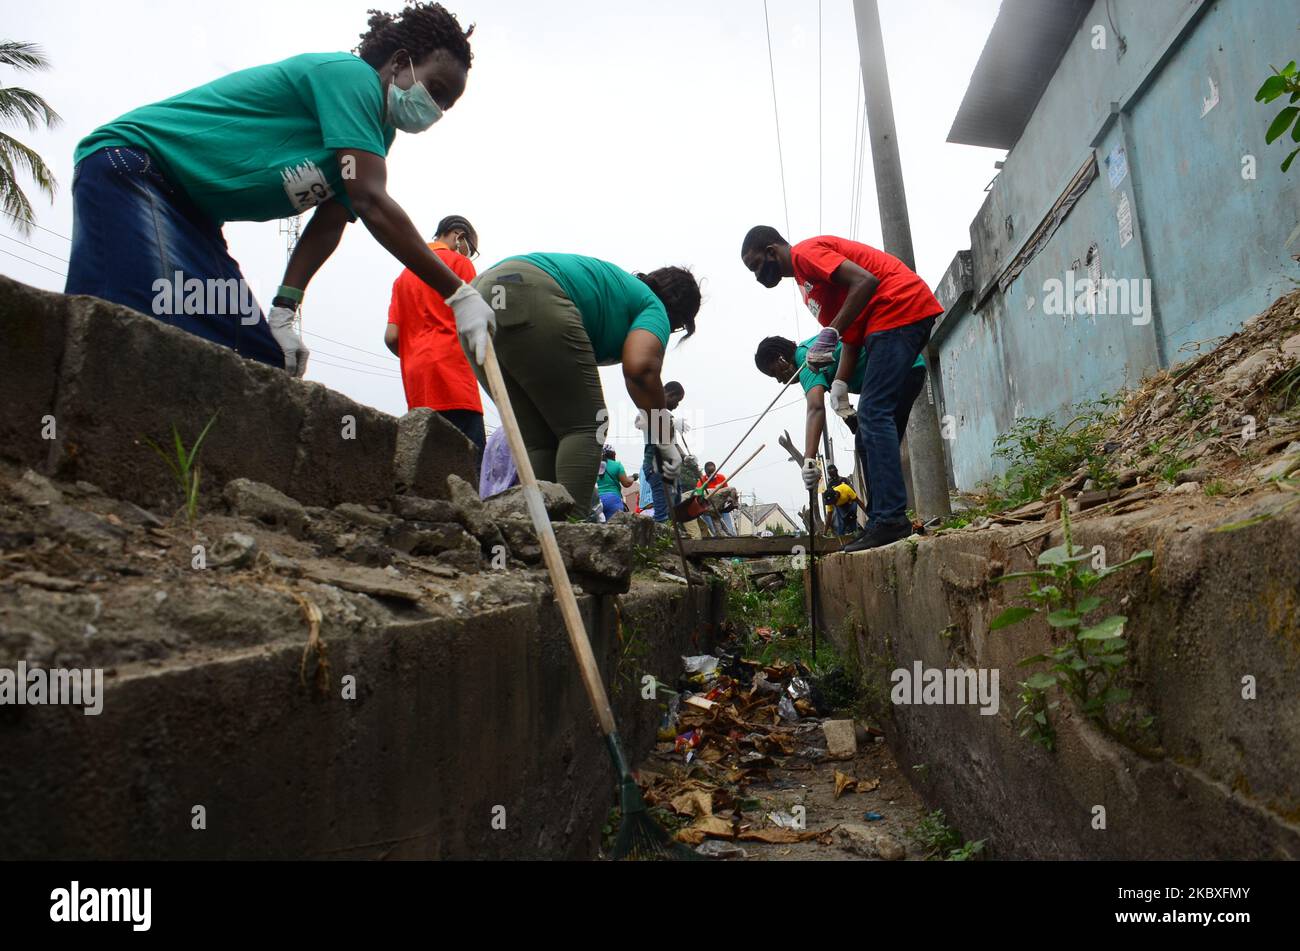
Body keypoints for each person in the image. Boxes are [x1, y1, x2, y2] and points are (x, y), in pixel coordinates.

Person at [66, 3, 497, 380]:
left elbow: (331, 221)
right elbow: (369, 201)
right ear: (401, 63)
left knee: (257, 355)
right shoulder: (352, 79)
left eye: (446, 106)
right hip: (134, 167)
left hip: (193, 218)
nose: (435, 110)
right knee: (139, 315)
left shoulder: (376, 136)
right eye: (436, 90)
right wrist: (457, 292)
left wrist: (284, 311)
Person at [741, 226, 942, 551]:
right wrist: (840, 384)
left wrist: (830, 332)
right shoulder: (808, 290)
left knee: (875, 414)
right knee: (866, 433)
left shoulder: (805, 255)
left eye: (755, 265)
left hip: (898, 308)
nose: (757, 275)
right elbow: (850, 337)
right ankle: (880, 520)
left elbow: (866, 281)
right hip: (881, 324)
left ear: (771, 250)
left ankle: (891, 519)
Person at [470, 253, 700, 512]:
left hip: (477, 300)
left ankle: (538, 534)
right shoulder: (653, 305)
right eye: (677, 326)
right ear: (676, 312)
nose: (668, 332)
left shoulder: (620, 289)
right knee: (589, 425)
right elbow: (641, 370)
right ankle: (571, 535)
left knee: (539, 439)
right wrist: (663, 438)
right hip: (528, 291)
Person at [753, 333, 926, 509]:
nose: (780, 381)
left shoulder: (807, 362)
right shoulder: (811, 349)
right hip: (906, 368)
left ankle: (888, 516)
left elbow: (815, 408)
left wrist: (809, 460)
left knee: (871, 441)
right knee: (868, 442)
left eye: (775, 373)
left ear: (781, 359)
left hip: (901, 371)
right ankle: (882, 514)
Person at [386, 214, 485, 451]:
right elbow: (476, 320)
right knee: (470, 464)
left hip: (417, 379)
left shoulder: (404, 276)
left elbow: (391, 336)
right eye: (470, 249)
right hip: (454, 377)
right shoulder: (459, 264)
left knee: (428, 464)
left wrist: (414, 352)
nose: (468, 256)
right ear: (458, 237)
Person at [640, 381, 685, 523]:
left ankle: (673, 533)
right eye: (677, 401)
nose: (677, 405)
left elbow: (673, 444)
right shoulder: (651, 410)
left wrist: (686, 457)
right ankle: (662, 540)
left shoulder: (666, 416)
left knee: (676, 502)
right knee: (662, 511)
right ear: (670, 394)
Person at [694, 462, 736, 537]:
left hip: (722, 507)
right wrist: (703, 488)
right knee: (714, 530)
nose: (712, 476)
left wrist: (730, 500)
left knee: (729, 529)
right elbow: (698, 496)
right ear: (706, 473)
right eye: (709, 474)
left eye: (713, 473)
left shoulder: (721, 478)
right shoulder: (701, 481)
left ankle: (731, 538)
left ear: (715, 471)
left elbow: (728, 492)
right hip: (710, 509)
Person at [823, 466, 867, 536]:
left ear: (836, 471)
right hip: (839, 505)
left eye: (832, 471)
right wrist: (824, 533)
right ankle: (842, 538)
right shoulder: (830, 485)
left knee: (851, 518)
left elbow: (857, 500)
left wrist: (868, 513)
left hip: (850, 502)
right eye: (829, 473)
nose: (831, 474)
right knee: (841, 524)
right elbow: (829, 515)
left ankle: (856, 533)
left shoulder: (844, 482)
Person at [596, 446, 636, 521]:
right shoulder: (617, 465)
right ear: (613, 455)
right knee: (614, 528)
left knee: (599, 529)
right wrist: (633, 478)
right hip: (613, 500)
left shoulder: (596, 466)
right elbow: (626, 483)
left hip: (597, 501)